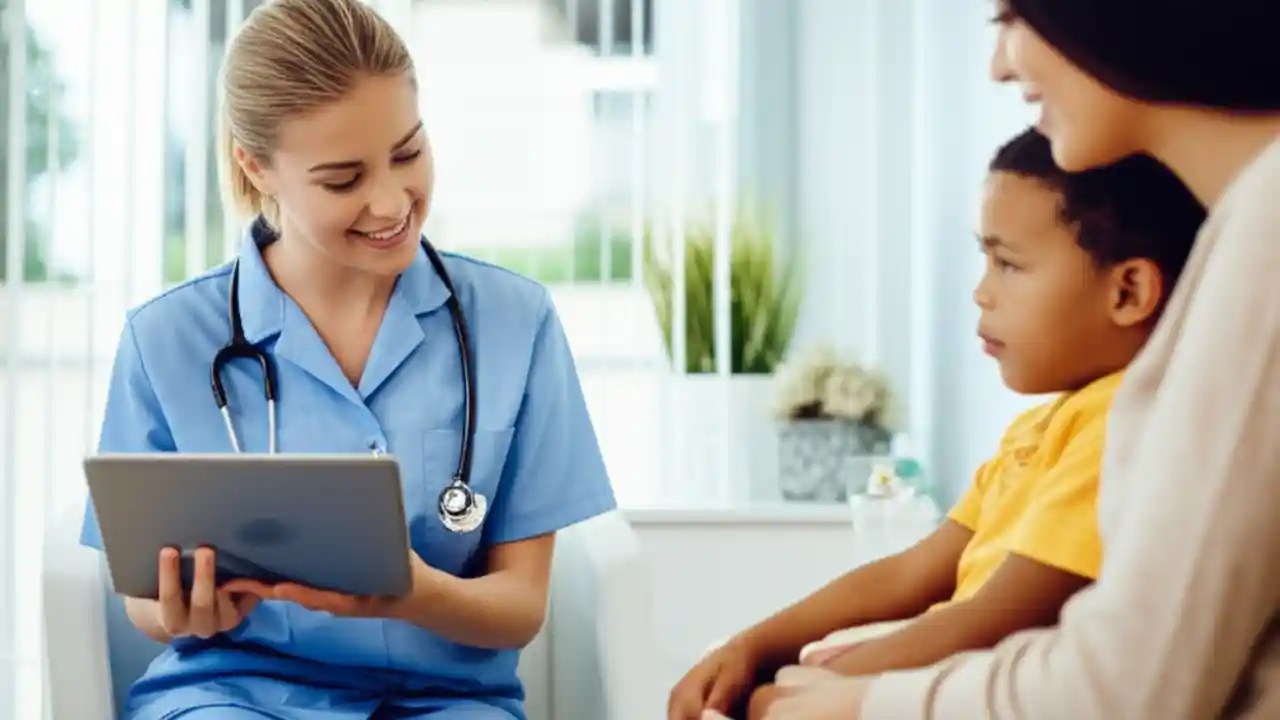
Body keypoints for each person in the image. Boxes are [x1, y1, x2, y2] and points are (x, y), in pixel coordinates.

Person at [77, 1, 616, 717]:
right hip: (235, 693)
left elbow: (520, 606)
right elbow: (144, 601)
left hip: (448, 700)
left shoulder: (515, 324)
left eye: (408, 153)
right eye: (343, 179)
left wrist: (416, 595)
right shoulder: (167, 339)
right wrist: (189, 611)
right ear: (256, 166)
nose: (391, 201)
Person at [751, 1, 1280, 718]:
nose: (998, 62)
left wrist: (849, 705)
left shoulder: (1265, 245)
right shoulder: (1246, 233)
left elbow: (1128, 688)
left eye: (1011, 16)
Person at [668, 126, 1203, 720]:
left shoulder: (1121, 425)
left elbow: (994, 620)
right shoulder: (1043, 426)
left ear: (1127, 291)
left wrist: (820, 686)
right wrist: (755, 645)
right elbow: (911, 574)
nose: (982, 294)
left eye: (1007, 264)